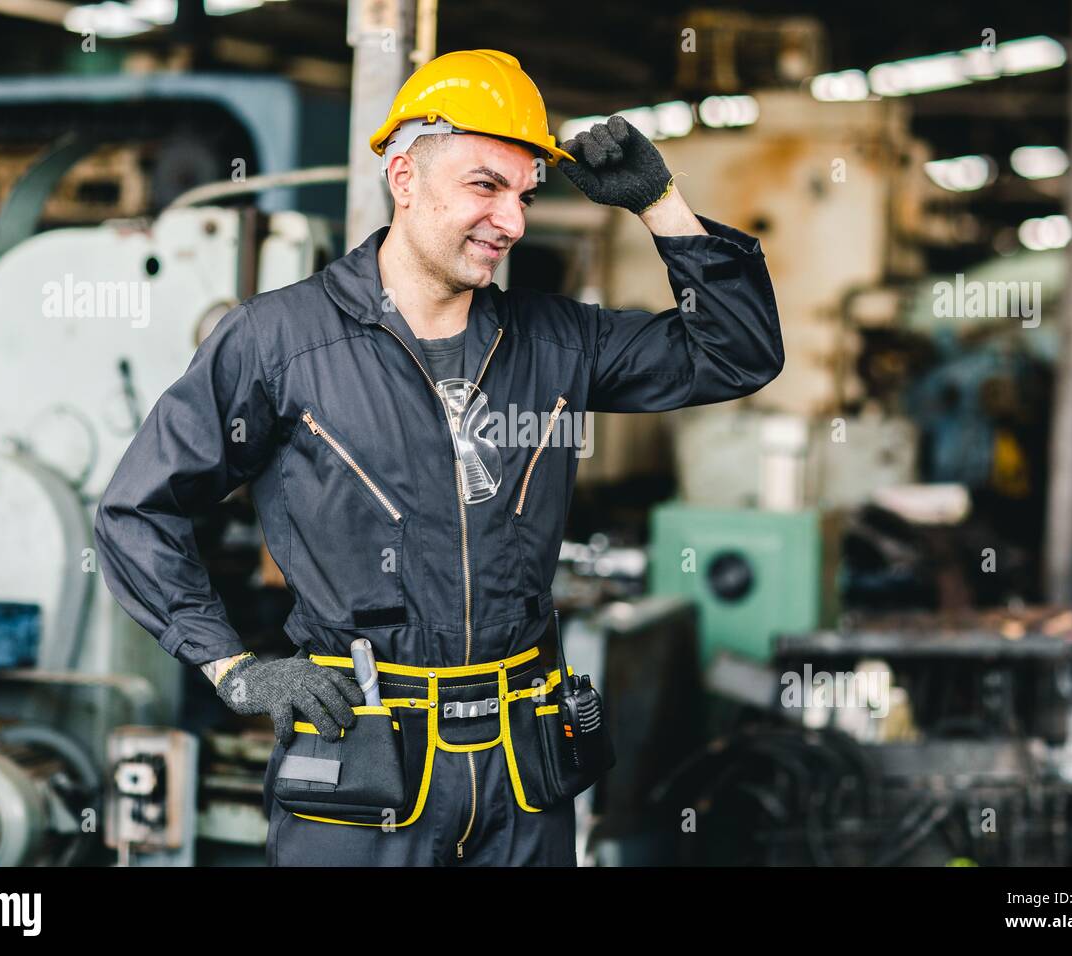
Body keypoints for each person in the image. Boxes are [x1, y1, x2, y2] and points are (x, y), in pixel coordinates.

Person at [93, 48, 783, 866]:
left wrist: (661, 205)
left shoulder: (557, 341)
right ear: (405, 179)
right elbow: (137, 511)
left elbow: (738, 352)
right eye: (485, 187)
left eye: (525, 194)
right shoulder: (280, 343)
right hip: (361, 768)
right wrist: (234, 667)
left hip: (523, 774)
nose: (513, 221)